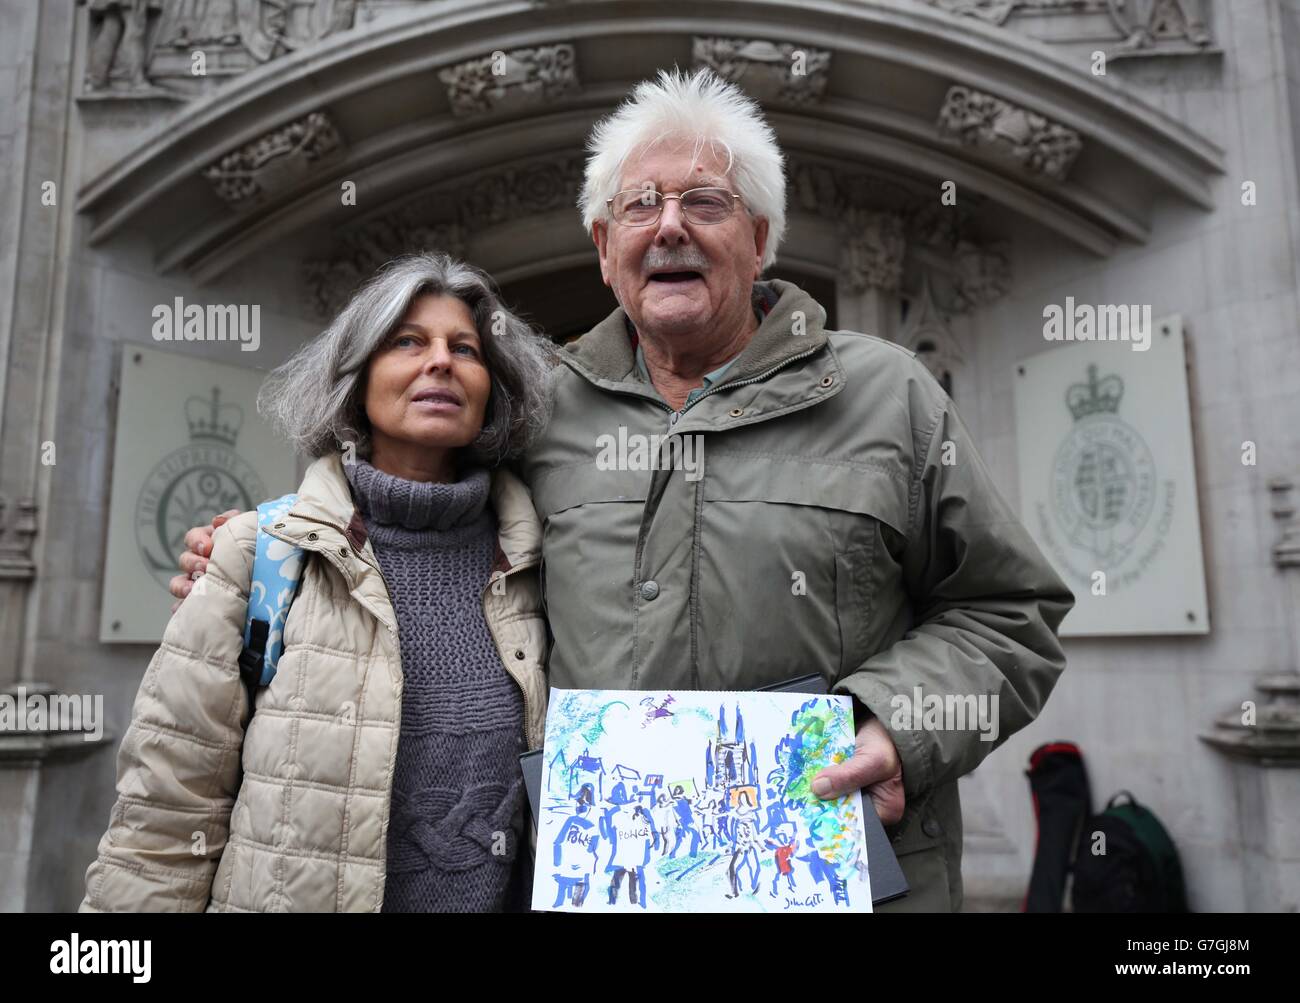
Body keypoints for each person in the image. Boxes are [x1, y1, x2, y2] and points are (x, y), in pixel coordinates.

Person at [171, 69, 1075, 912]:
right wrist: (261, 552)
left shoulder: (886, 394)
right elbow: (418, 520)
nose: (669, 225)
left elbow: (1010, 611)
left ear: (760, 240)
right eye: (640, 204)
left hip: (836, 883)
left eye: (706, 202)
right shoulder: (536, 409)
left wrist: (894, 726)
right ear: (605, 249)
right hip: (608, 884)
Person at [82, 253, 556, 912]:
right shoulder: (258, 555)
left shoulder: (540, 563)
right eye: (407, 341)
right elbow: (162, 825)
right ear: (357, 379)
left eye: (465, 348)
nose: (440, 362)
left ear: (492, 389)